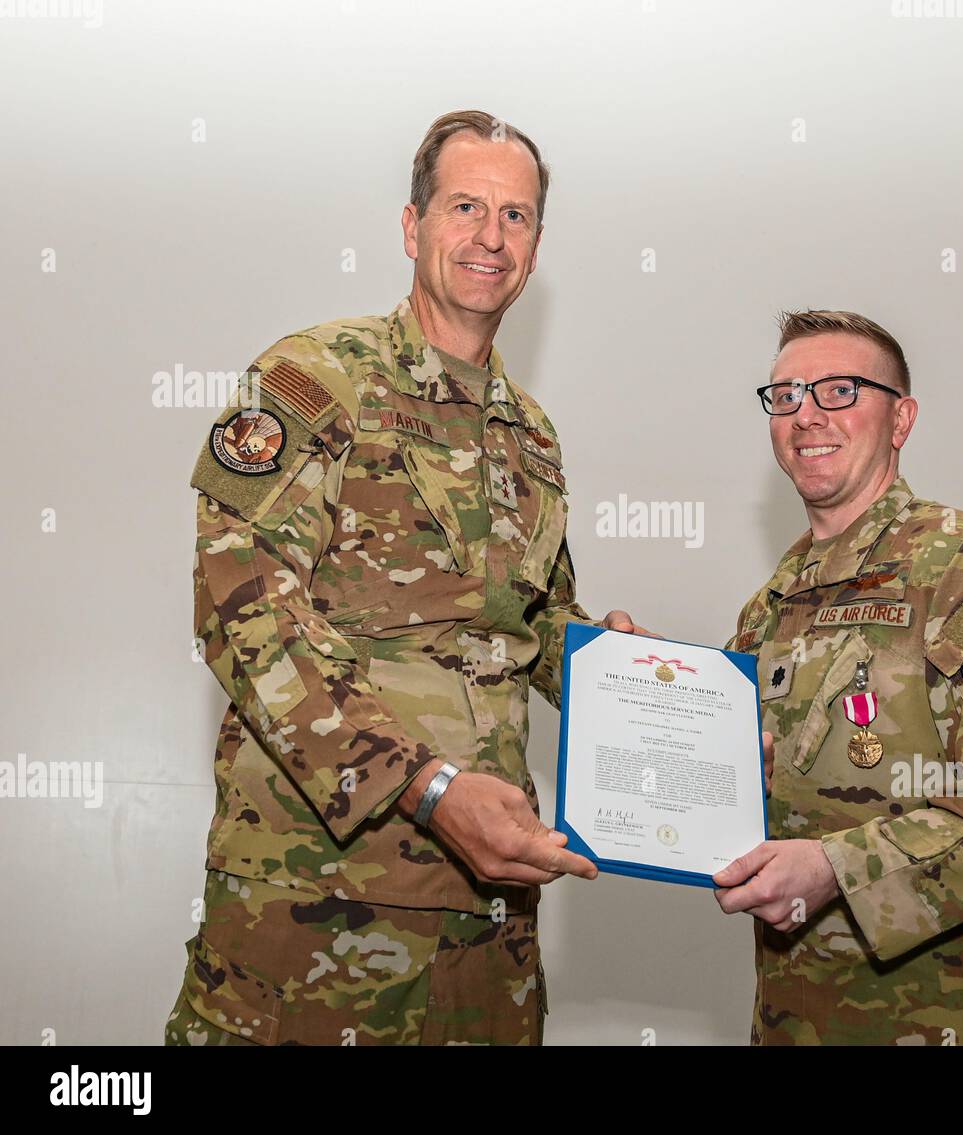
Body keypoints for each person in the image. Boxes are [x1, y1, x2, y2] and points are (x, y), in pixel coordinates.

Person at [165, 110, 644, 1046]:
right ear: (412, 224)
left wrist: (618, 674)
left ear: (538, 244)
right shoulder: (313, 377)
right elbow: (246, 611)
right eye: (465, 206)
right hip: (320, 903)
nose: (490, 236)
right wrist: (424, 786)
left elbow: (530, 624)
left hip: (488, 913)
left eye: (517, 216)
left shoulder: (531, 435)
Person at [714, 309, 963, 1045]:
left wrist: (836, 868)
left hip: (946, 1017)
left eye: (839, 391)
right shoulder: (772, 604)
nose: (806, 415)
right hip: (794, 1017)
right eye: (786, 395)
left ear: (901, 418)